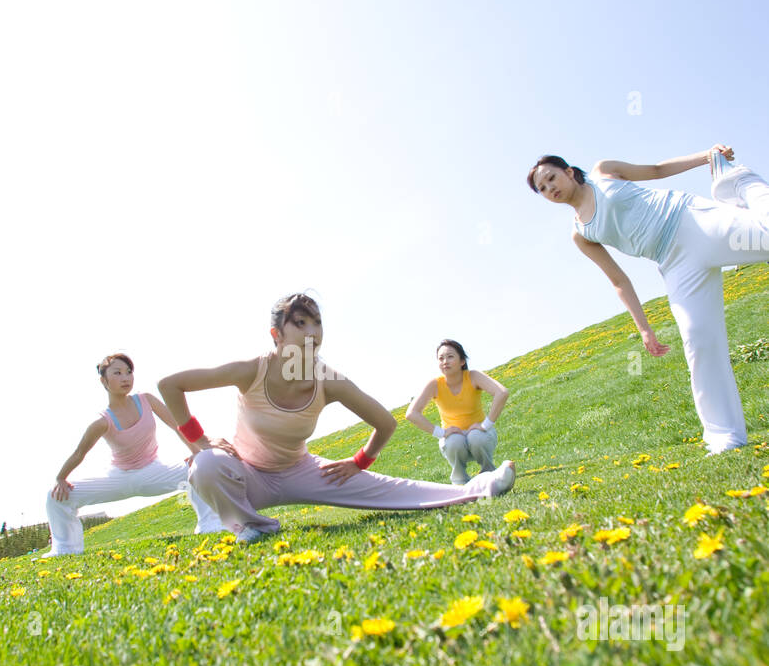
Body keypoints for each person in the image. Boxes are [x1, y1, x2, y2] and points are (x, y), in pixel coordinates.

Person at [157, 293, 517, 543]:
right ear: (276, 335)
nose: (312, 332)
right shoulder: (251, 370)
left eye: (317, 323)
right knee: (204, 466)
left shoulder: (328, 381)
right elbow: (170, 385)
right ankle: (253, 527)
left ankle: (481, 486)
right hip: (248, 475)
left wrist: (358, 462)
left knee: (391, 490)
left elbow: (385, 423)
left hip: (303, 472)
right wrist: (200, 441)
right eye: (300, 324)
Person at [527, 144, 769, 453]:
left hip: (688, 219)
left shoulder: (603, 172)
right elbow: (619, 280)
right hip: (673, 261)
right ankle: (725, 437)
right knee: (698, 338)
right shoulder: (580, 233)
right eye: (542, 188)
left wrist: (705, 156)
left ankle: (738, 183)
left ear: (569, 172)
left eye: (551, 178)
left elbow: (657, 170)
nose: (550, 188)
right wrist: (644, 328)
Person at [44, 353, 221, 556]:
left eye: (129, 372)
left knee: (203, 464)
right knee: (54, 496)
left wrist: (196, 453)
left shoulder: (147, 400)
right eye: (117, 373)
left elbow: (178, 425)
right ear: (104, 381)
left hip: (154, 472)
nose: (125, 378)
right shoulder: (101, 422)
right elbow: (78, 453)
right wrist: (60, 478)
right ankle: (65, 549)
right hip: (119, 479)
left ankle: (211, 525)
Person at [405, 339, 509, 484]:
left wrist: (485, 425)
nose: (445, 361)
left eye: (450, 356)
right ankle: (460, 482)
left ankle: (489, 474)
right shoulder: (434, 384)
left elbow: (502, 393)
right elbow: (411, 413)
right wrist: (440, 432)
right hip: (453, 439)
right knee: (454, 441)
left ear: (462, 361)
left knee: (476, 436)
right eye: (441, 358)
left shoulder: (473, 376)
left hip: (481, 436)